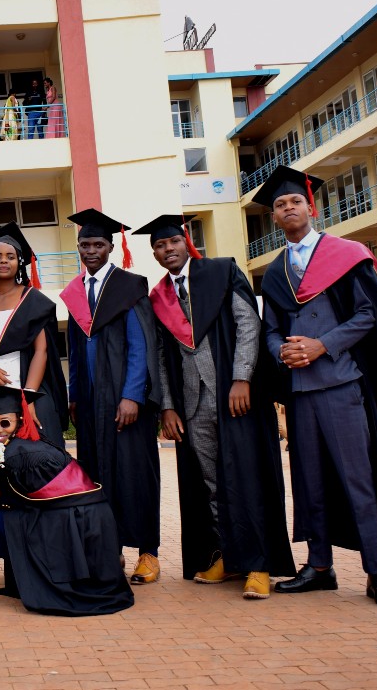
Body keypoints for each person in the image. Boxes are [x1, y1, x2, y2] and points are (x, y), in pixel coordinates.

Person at [256, 165, 377, 609]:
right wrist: (282, 352)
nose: (288, 208)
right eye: (280, 205)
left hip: (343, 385)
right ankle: (319, 567)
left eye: (295, 201)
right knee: (311, 482)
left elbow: (368, 315)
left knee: (357, 480)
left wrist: (321, 345)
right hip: (301, 393)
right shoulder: (276, 270)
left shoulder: (346, 255)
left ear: (311, 208)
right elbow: (271, 328)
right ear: (274, 217)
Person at [134, 214, 294, 600]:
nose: (167, 249)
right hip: (192, 404)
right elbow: (160, 355)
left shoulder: (222, 272)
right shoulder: (159, 297)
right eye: (159, 245)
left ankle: (258, 563)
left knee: (248, 476)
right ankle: (228, 555)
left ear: (186, 241)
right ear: (154, 254)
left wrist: (242, 378)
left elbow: (248, 324)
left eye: (173, 242)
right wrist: (167, 406)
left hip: (236, 396)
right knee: (211, 484)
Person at [0, 386, 134, 616]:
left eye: (5, 423)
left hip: (75, 519)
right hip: (79, 515)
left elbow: (25, 499)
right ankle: (25, 579)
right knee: (5, 519)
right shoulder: (29, 443)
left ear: (21, 420)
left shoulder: (19, 453)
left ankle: (42, 580)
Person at [60, 208, 162, 585]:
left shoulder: (129, 286)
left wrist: (132, 395)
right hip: (90, 402)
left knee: (136, 475)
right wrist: (74, 395)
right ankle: (109, 550)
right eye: (85, 245)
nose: (91, 251)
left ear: (111, 247)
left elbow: (141, 344)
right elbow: (73, 349)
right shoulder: (75, 292)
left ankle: (148, 553)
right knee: (97, 476)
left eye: (98, 244)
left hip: (123, 401)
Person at [0, 222, 68, 446]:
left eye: (10, 257)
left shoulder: (33, 301)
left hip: (27, 384)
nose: (3, 261)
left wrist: (28, 398)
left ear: (19, 262)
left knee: (37, 450)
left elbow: (41, 351)